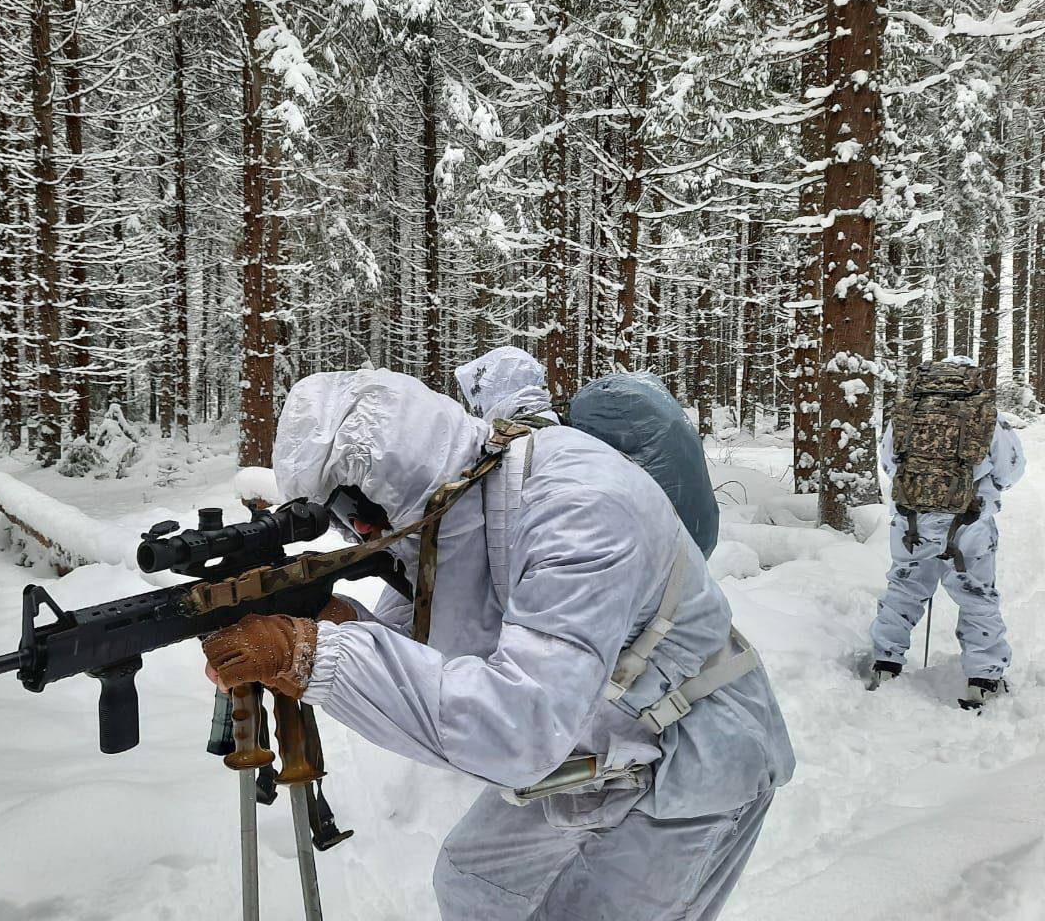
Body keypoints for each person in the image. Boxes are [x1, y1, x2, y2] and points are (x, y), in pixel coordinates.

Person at [204, 369, 794, 920]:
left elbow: (521, 725)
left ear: (387, 474)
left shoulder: (580, 511)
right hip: (597, 737)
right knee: (474, 881)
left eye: (347, 508)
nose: (355, 530)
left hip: (687, 754)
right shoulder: (460, 500)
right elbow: (426, 643)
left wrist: (314, 654)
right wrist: (335, 621)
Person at [867, 356, 1026, 708]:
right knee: (976, 596)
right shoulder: (985, 415)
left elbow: (888, 461)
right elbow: (1011, 470)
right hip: (968, 523)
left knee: (904, 588)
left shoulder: (907, 411)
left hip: (911, 521)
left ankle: (886, 664)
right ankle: (983, 679)